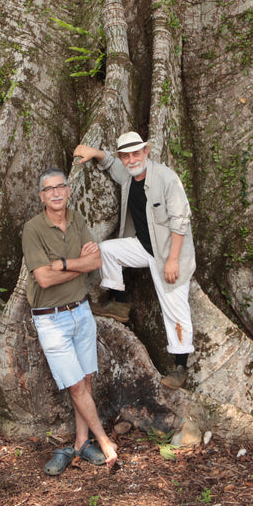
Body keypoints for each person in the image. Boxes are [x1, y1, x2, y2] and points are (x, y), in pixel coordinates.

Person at [73, 132, 196, 390]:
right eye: (126, 156)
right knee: (106, 250)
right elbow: (110, 163)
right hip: (144, 248)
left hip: (169, 255)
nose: (131, 160)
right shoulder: (128, 175)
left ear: (146, 152)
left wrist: (173, 260)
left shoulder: (166, 178)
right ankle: (120, 303)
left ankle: (180, 366)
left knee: (175, 308)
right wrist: (94, 153)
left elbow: (181, 221)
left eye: (136, 154)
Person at [21, 167, 118, 475]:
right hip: (51, 320)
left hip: (81, 312)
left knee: (85, 381)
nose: (55, 193)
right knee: (76, 385)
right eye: (49, 189)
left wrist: (62, 264)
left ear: (68, 190)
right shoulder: (33, 229)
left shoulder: (77, 220)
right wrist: (80, 264)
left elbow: (97, 260)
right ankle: (104, 441)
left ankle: (80, 443)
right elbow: (44, 279)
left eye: (60, 187)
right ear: (41, 196)